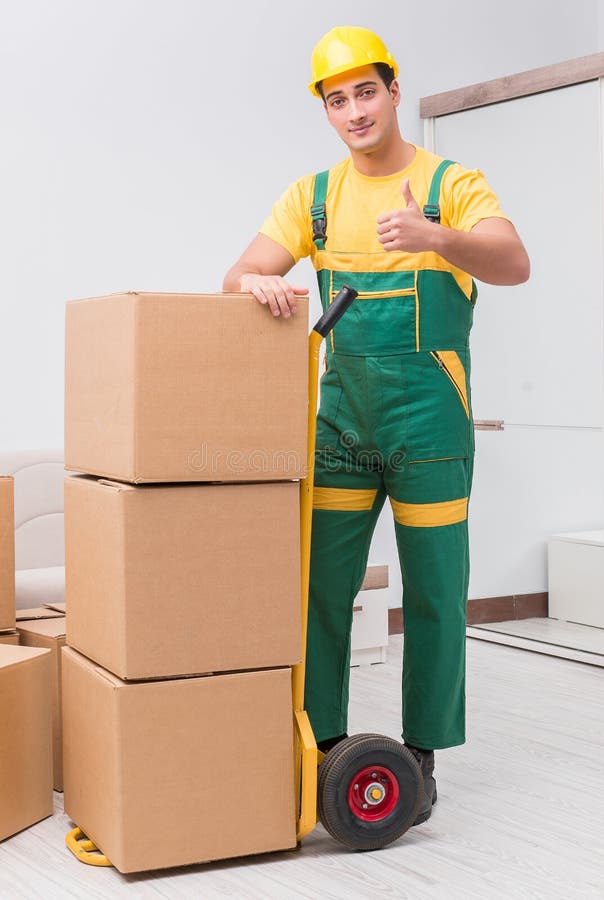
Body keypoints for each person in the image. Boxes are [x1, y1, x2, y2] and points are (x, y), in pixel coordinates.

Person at [224, 25, 530, 826]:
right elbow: (239, 273)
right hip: (341, 433)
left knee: (434, 597)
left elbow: (512, 260)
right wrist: (259, 287)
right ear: (325, 112)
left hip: (431, 432)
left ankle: (420, 758)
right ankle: (323, 748)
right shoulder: (314, 198)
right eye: (337, 99)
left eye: (366, 91)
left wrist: (438, 238)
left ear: (394, 92)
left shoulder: (449, 183)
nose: (354, 110)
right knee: (321, 592)